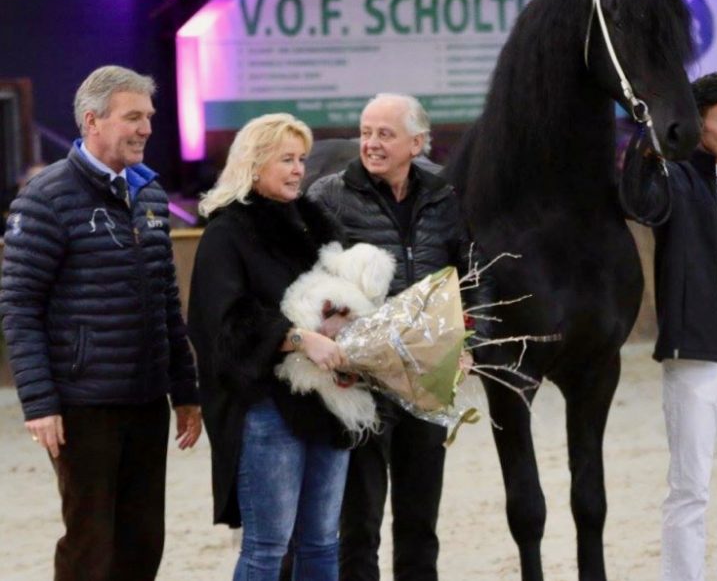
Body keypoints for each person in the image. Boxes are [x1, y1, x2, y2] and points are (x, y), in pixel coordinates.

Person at [0, 65, 201, 580]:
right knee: (91, 543)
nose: (146, 128)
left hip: (146, 399)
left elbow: (166, 300)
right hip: (82, 403)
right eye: (132, 117)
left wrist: (185, 390)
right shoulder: (46, 197)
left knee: (143, 540)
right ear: (92, 120)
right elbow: (19, 305)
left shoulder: (150, 195)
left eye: (148, 117)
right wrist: (40, 404)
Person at [308, 93, 487, 581]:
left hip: (427, 380)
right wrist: (324, 324)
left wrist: (470, 342)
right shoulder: (328, 195)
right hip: (358, 383)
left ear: (417, 143)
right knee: (358, 523)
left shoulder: (445, 198)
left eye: (385, 134)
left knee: (420, 520)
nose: (371, 143)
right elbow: (304, 277)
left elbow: (476, 276)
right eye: (366, 132)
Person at [187, 113, 353, 580]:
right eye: (286, 159)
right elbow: (222, 325)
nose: (299, 169)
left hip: (327, 400)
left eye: (301, 159)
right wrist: (297, 338)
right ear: (254, 162)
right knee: (267, 547)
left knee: (323, 542)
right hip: (266, 406)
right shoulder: (227, 233)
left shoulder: (318, 225)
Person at [625, 72, 717, 581]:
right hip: (696, 350)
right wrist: (647, 136)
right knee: (690, 488)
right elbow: (638, 202)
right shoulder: (675, 177)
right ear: (698, 123)